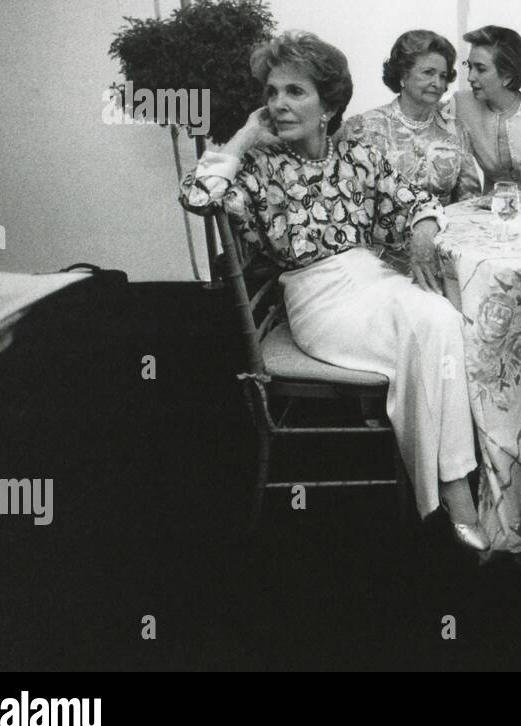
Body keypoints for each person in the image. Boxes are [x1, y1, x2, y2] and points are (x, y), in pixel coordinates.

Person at [179, 30, 489, 551]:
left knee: (443, 319)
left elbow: (417, 202)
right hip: (318, 299)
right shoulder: (255, 169)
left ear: (328, 104)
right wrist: (244, 137)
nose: (278, 103)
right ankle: (456, 496)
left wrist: (422, 230)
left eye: (294, 92)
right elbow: (195, 195)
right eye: (272, 92)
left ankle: (446, 486)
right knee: (428, 330)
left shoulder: (357, 157)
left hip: (372, 277)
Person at [343, 29, 481, 213]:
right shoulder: (367, 128)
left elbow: (470, 201)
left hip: (442, 235)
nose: (437, 83)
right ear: (402, 76)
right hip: (381, 240)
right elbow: (353, 203)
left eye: (442, 75)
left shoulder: (455, 129)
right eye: (428, 73)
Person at [451, 25, 521, 189]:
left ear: (507, 77)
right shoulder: (461, 104)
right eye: (469, 66)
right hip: (489, 208)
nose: (470, 77)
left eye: (480, 69)